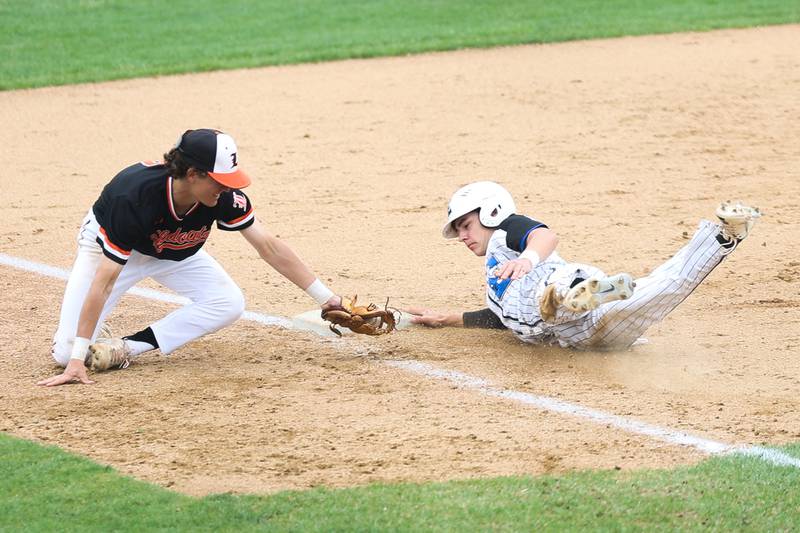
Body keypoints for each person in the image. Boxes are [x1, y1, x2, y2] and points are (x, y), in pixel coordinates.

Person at [38, 128, 342, 386]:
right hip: (114, 249)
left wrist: (325, 298)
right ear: (193, 174)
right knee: (67, 353)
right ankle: (92, 329)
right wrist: (77, 361)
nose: (227, 188)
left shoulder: (221, 198)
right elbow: (103, 283)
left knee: (228, 303)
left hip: (172, 250)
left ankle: (126, 347)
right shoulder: (133, 197)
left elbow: (269, 246)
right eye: (220, 180)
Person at [406, 181, 760, 350]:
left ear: (490, 212)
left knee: (553, 291)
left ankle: (570, 294)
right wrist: (447, 318)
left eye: (466, 226)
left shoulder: (505, 233)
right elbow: (498, 318)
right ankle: (723, 239)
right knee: (663, 287)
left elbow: (545, 237)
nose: (463, 236)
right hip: (592, 337)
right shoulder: (496, 275)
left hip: (560, 301)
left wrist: (528, 259)